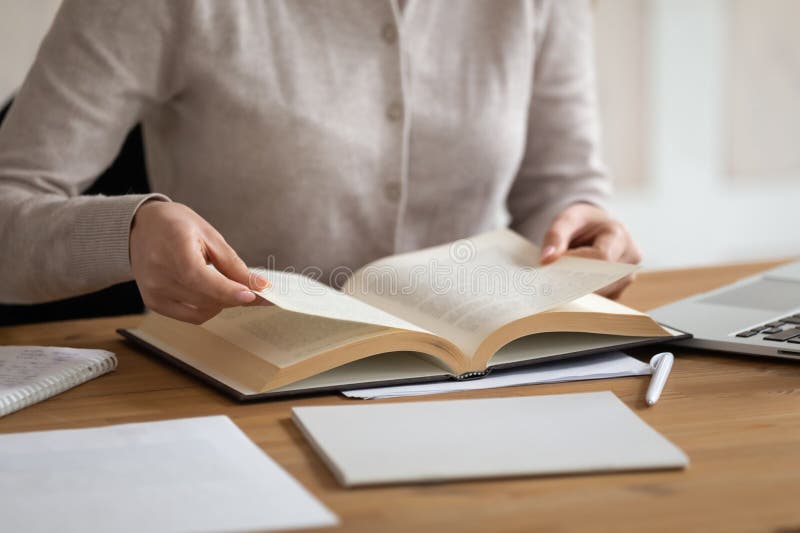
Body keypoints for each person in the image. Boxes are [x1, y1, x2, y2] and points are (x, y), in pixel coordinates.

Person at [0, 0, 641, 325]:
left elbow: (562, 189)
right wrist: (129, 233)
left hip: (477, 378)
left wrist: (586, 230)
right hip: (237, 395)